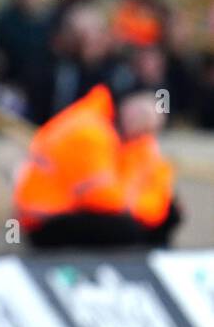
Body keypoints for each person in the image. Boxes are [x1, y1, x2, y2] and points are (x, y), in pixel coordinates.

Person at [14, 83, 178, 248]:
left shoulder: (130, 138)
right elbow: (99, 196)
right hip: (46, 218)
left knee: (168, 215)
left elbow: (158, 183)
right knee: (124, 228)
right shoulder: (89, 131)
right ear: (129, 108)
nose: (144, 134)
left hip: (82, 210)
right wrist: (139, 207)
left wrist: (145, 208)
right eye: (143, 118)